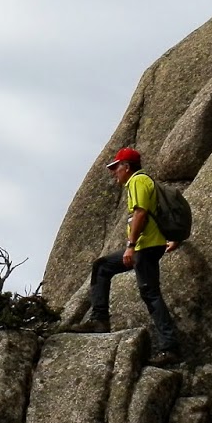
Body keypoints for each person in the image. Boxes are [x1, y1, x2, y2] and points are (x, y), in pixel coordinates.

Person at [71, 147, 182, 364]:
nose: (114, 172)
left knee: (150, 294)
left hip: (145, 247)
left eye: (116, 167)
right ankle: (99, 320)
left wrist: (130, 245)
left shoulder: (138, 181)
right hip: (146, 245)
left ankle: (170, 348)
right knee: (102, 266)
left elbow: (141, 213)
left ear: (127, 167)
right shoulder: (139, 183)